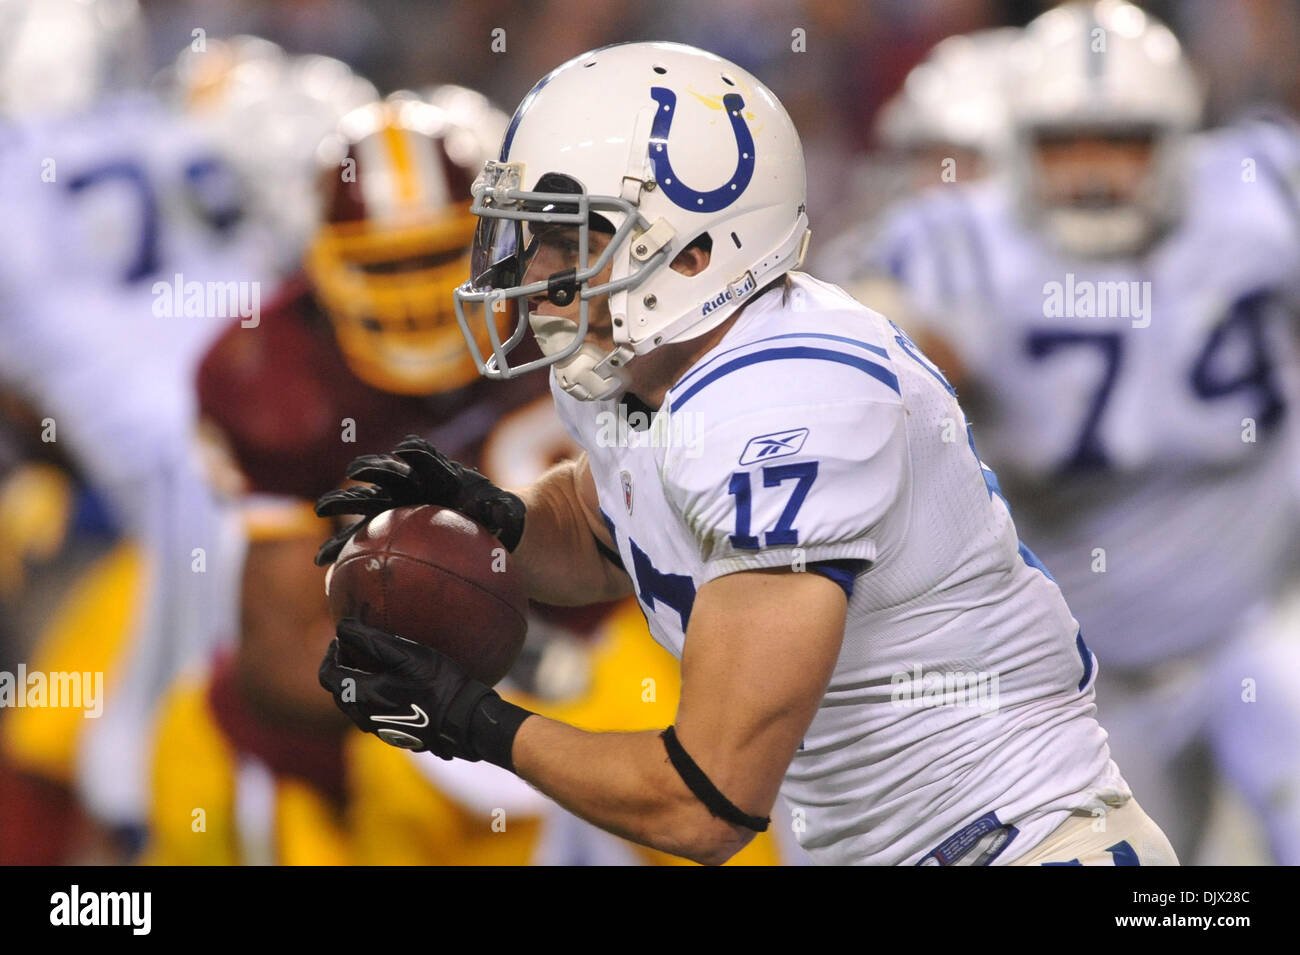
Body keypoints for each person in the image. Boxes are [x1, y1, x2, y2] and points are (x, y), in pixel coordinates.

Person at [315, 40, 1175, 866]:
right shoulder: (639, 369)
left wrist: (476, 725)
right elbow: (619, 532)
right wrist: (495, 519)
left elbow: (706, 803)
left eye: (570, 240)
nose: (531, 270)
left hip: (1021, 841)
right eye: (527, 232)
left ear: (693, 252)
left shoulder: (792, 404)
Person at [821, 1, 1300, 864]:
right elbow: (851, 386)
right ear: (1018, 148)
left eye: (1124, 140)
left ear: (1181, 139)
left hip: (1261, 611)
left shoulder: (1261, 189)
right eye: (1063, 144)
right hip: (1082, 662)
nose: (1092, 172)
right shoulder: (961, 246)